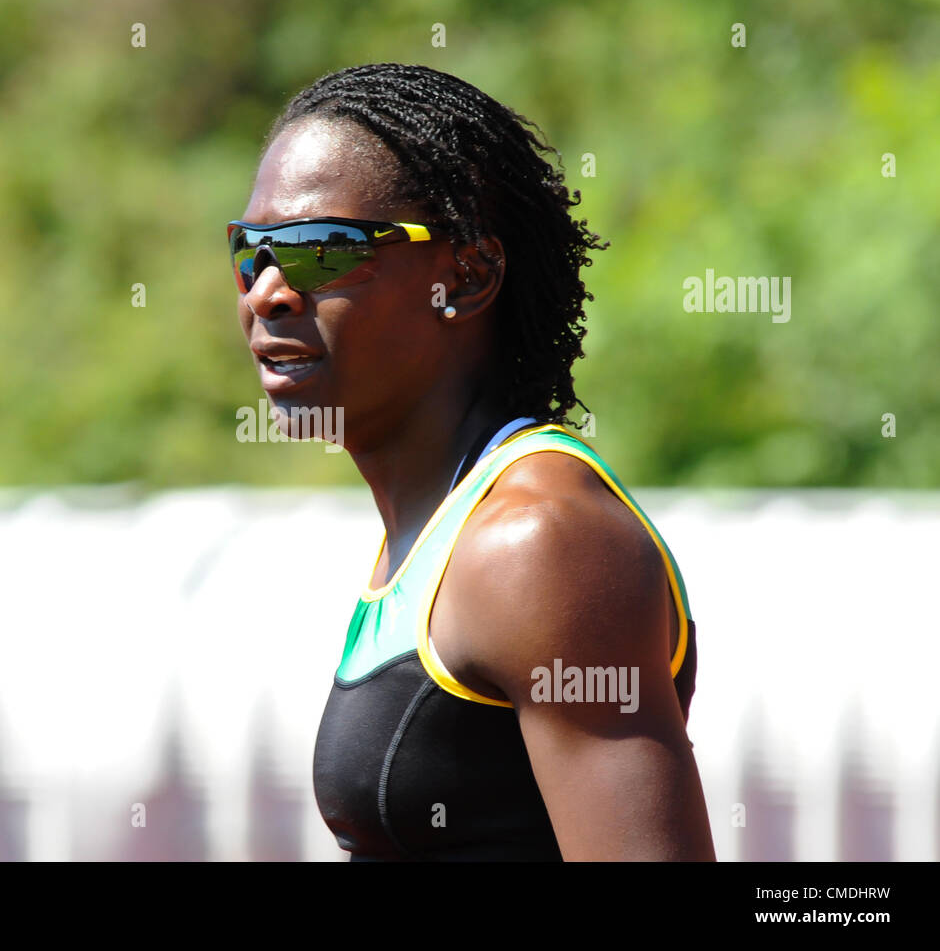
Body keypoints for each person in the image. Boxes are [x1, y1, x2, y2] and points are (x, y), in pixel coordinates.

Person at [227, 63, 715, 861]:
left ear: (470, 274)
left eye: (322, 250)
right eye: (253, 250)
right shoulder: (430, 527)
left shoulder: (539, 542)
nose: (270, 292)